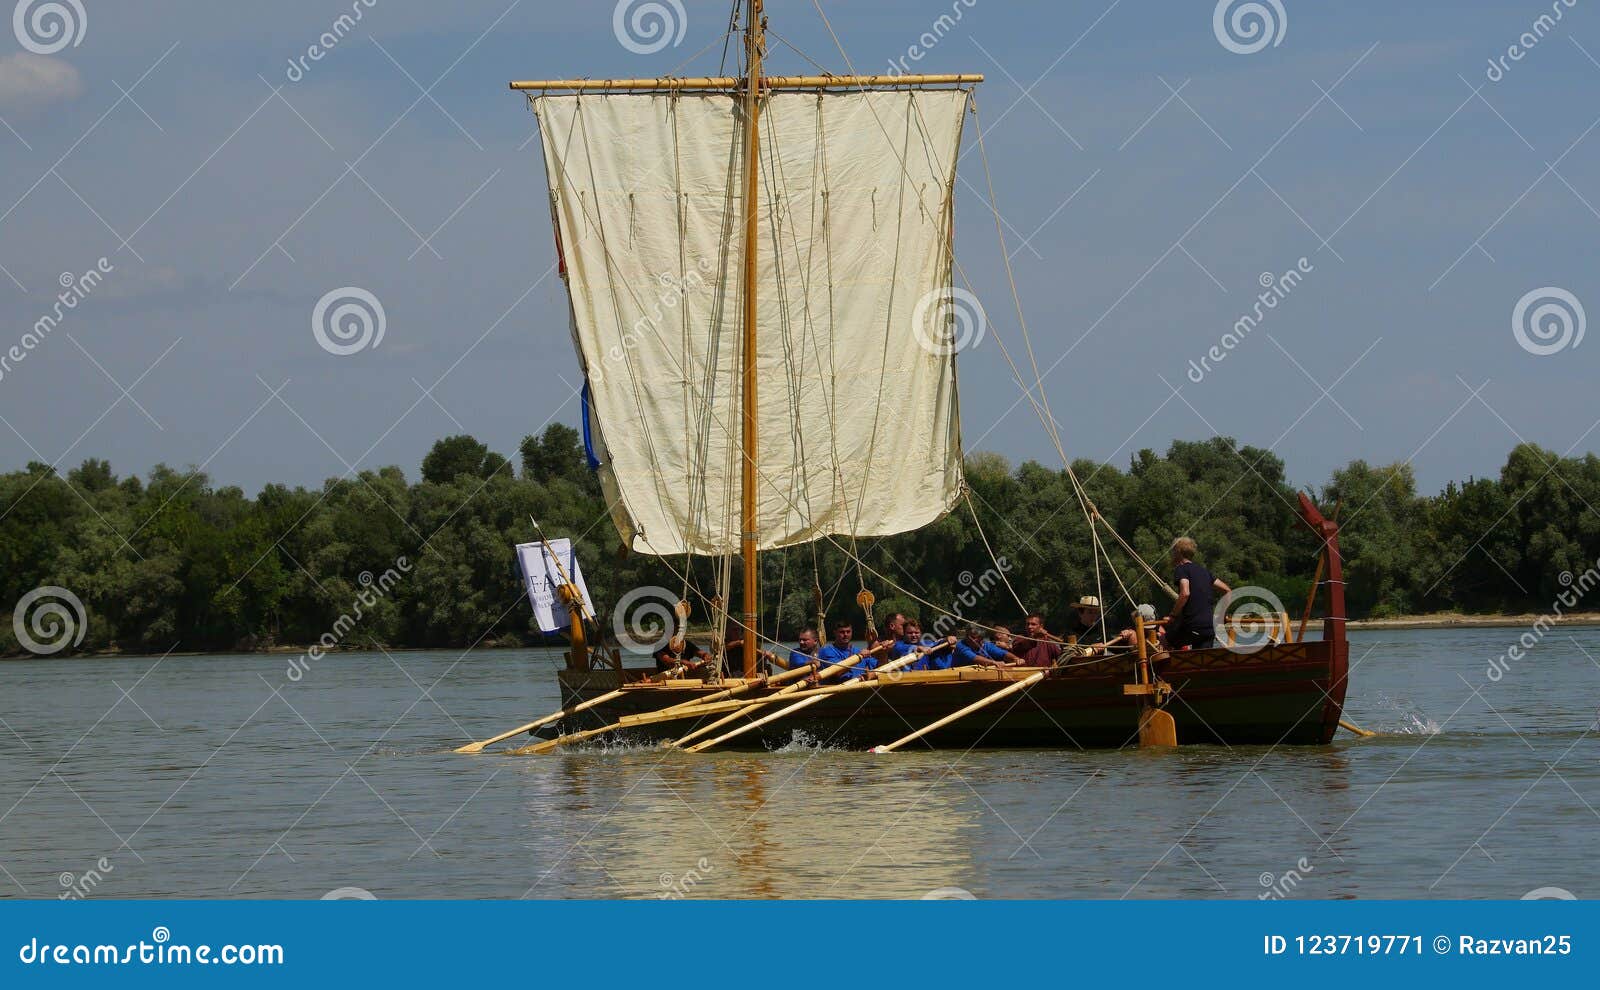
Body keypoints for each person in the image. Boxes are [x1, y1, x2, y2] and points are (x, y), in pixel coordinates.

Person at [1161, 536, 1231, 650]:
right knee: (1201, 660)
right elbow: (1227, 591)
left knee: (1164, 640)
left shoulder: (1181, 569)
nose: (1172, 555)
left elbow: (1185, 593)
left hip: (1192, 626)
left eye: (1173, 552)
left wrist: (1172, 616)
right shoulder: (1205, 572)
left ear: (1178, 552)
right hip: (1209, 628)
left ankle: (1167, 667)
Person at [1062, 596, 1135, 652]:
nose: (1094, 616)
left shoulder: (1101, 632)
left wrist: (1127, 634)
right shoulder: (1070, 634)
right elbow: (1067, 656)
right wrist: (1091, 648)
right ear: (1080, 613)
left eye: (1096, 612)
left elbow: (1122, 649)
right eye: (1090, 612)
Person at [950, 624, 1018, 668]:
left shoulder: (985, 644)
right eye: (972, 637)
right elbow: (975, 658)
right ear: (967, 636)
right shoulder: (960, 646)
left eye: (979, 638)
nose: (974, 640)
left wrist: (1016, 659)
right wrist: (994, 662)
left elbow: (1003, 653)